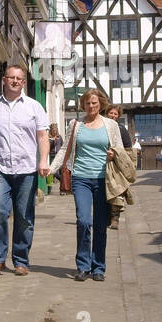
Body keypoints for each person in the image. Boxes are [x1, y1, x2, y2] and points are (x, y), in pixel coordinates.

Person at [0, 64, 50, 277]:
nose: (16, 81)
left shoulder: (34, 107)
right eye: (12, 78)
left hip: (27, 169)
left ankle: (21, 260)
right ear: (4, 80)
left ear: (23, 82)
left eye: (19, 78)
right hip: (0, 168)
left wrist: (43, 160)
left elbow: (43, 136)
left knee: (24, 216)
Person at [50, 89, 129, 281]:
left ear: (100, 104)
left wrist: (114, 154)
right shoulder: (76, 124)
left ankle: (99, 267)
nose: (91, 106)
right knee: (84, 221)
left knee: (101, 224)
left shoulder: (111, 125)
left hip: (104, 180)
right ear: (82, 105)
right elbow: (64, 148)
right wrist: (51, 169)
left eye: (94, 103)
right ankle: (83, 266)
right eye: (87, 103)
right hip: (81, 178)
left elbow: (120, 149)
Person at [105, 103, 134, 228]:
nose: (113, 115)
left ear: (118, 116)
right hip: (102, 163)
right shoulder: (102, 127)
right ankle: (105, 219)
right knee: (105, 192)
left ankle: (115, 218)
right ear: (106, 114)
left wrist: (117, 155)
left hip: (116, 165)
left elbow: (128, 149)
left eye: (115, 114)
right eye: (111, 113)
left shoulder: (121, 129)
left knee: (117, 191)